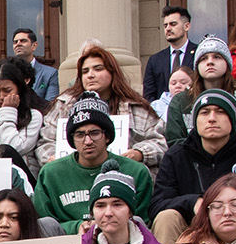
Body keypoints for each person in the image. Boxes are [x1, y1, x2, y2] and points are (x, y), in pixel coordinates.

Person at [151, 88, 236, 244]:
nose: (211, 119)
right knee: (166, 217)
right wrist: (193, 202)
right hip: (194, 228)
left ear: (233, 119)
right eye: (204, 113)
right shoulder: (177, 155)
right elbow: (158, 204)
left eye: (220, 112)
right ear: (195, 120)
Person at [33, 97, 154, 234]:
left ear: (107, 136)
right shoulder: (50, 173)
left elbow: (140, 220)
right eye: (80, 134)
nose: (88, 141)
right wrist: (76, 227)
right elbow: (42, 222)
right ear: (72, 139)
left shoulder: (136, 171)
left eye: (95, 133)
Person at [164, 37, 236, 144]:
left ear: (227, 63)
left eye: (217, 57)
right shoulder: (180, 101)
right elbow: (174, 142)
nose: (210, 62)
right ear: (197, 66)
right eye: (203, 59)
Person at [0, 60, 48, 164]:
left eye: (7, 91)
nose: (1, 97)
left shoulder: (33, 116)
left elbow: (12, 148)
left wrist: (8, 111)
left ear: (19, 89)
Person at [142, 5, 198, 92]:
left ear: (186, 26)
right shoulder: (155, 60)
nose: (168, 28)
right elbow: (149, 95)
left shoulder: (199, 54)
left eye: (173, 24)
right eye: (165, 25)